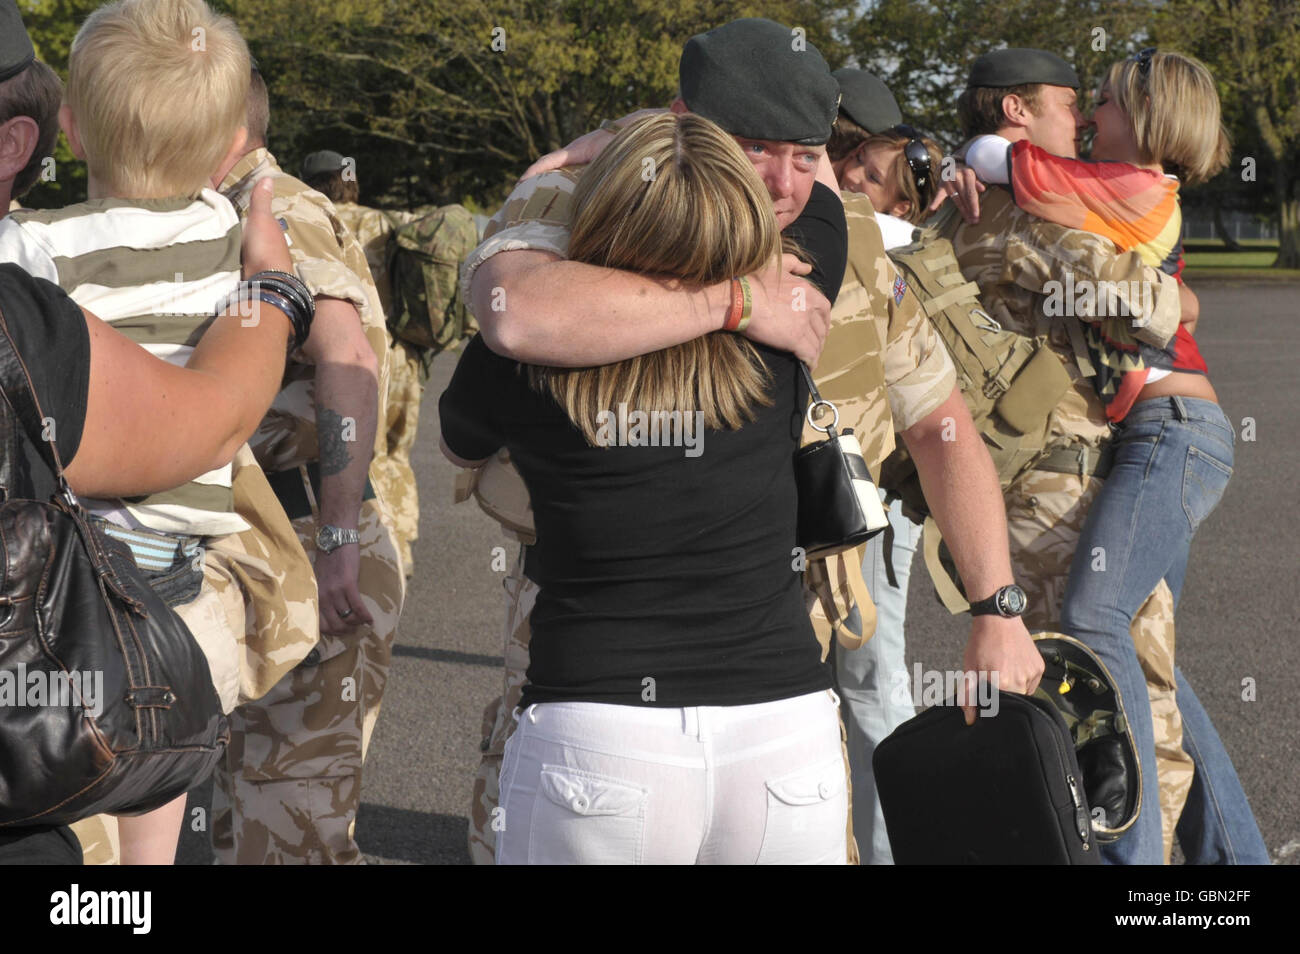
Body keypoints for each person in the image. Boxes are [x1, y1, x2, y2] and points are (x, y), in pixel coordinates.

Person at [459, 18, 1045, 862]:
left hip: (782, 663)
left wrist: (997, 607)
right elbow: (518, 315)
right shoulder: (577, 204)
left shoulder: (848, 241)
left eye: (805, 156)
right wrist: (734, 301)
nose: (781, 181)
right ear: (682, 123)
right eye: (755, 148)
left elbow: (938, 426)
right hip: (588, 651)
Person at [443, 111, 855, 863]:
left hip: (597, 735)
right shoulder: (787, 324)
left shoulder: (520, 356)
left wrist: (558, 165)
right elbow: (819, 194)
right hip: (782, 732)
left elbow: (460, 441)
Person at [0, 0, 324, 865]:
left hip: (74, 561)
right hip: (183, 571)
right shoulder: (237, 237)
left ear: (66, 130)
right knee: (163, 747)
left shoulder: (34, 246)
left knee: (68, 775)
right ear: (230, 144)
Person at [960, 49, 1266, 865]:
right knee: (1143, 659)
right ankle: (1234, 861)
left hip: (1172, 436)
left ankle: (1131, 860)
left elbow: (1016, 167)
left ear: (1154, 120)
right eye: (1089, 101)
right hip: (1153, 436)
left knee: (1094, 621)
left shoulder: (1127, 187)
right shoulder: (1116, 191)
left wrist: (974, 161)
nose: (1093, 117)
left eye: (1106, 103)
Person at [207, 67, 406, 864]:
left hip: (304, 535)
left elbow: (345, 355)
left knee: (290, 834)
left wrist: (334, 540)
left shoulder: (278, 206)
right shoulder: (229, 209)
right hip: (277, 538)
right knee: (250, 819)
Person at [821, 68, 943, 864]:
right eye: (858, 169)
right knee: (828, 693)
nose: (859, 188)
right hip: (818, 490)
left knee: (869, 686)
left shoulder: (883, 235)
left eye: (874, 175)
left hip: (869, 492)